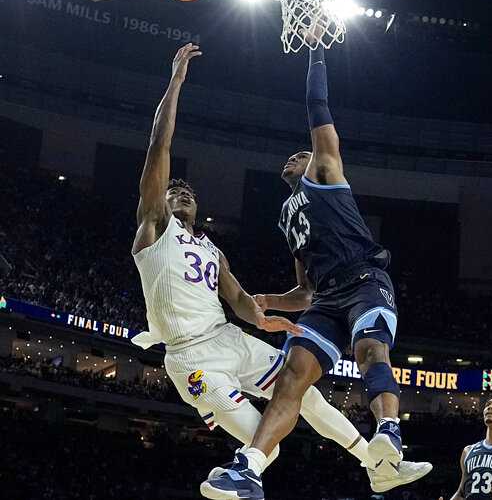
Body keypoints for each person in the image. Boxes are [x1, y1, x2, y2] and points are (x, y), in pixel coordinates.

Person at [132, 44, 426, 498]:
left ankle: (378, 459)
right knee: (264, 436)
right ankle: (249, 474)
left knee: (309, 392)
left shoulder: (213, 249)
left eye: (188, 190)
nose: (182, 192)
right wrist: (176, 81)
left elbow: (239, 300)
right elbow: (159, 145)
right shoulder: (154, 227)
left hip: (243, 332)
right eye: (174, 190)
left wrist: (261, 313)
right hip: (191, 356)